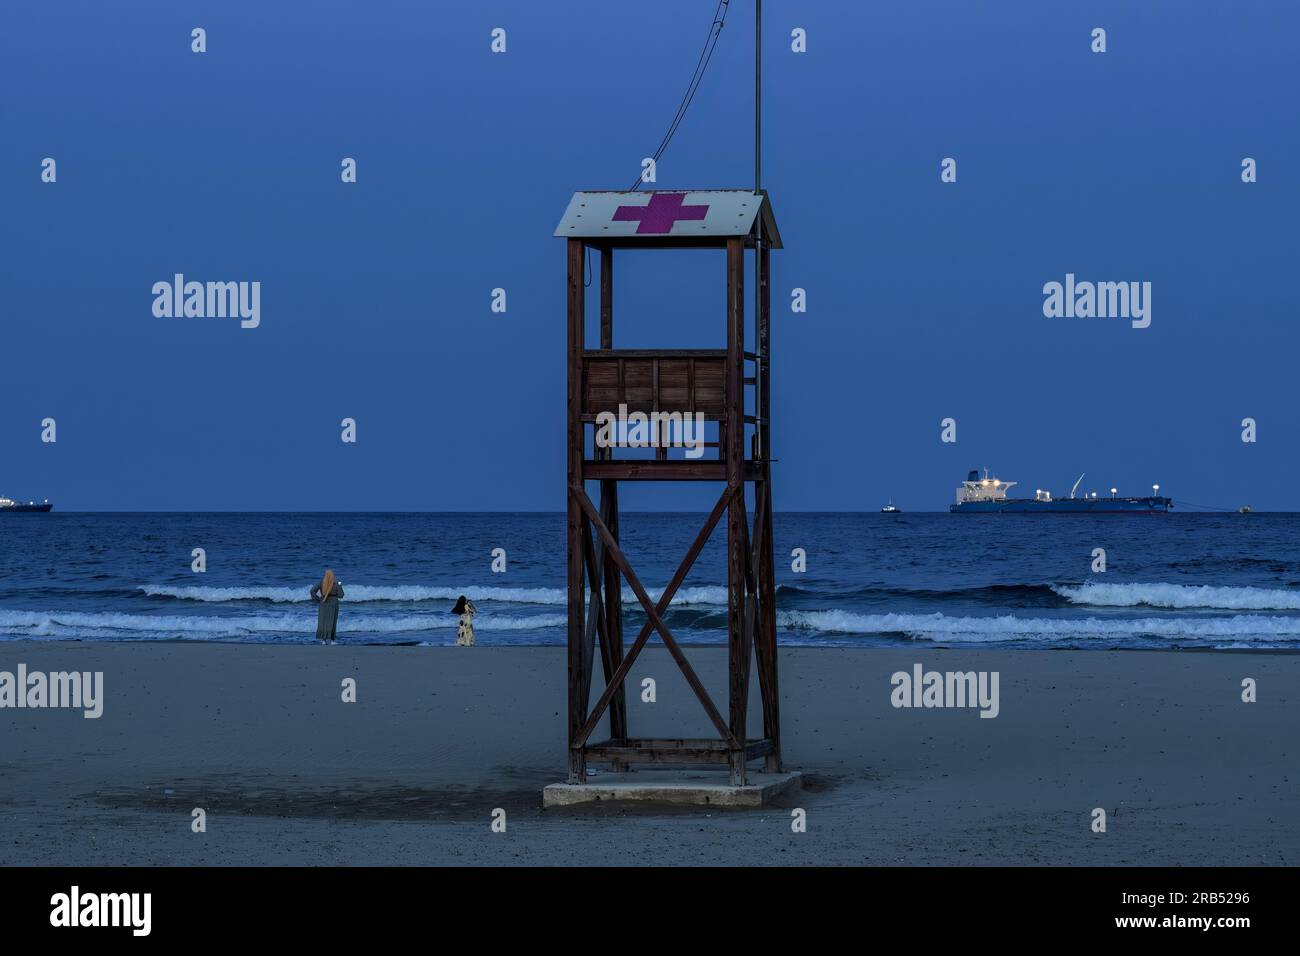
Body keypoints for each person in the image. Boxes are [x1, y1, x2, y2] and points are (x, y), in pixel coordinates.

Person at [310, 569, 344, 643]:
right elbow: (341, 595)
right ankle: (332, 641)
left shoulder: (321, 582)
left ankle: (323, 640)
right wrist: (340, 584)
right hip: (333, 603)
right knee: (332, 621)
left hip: (323, 603)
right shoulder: (337, 583)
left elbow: (312, 591)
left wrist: (317, 599)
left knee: (323, 621)